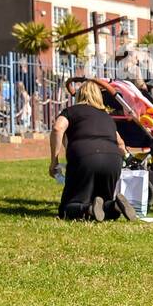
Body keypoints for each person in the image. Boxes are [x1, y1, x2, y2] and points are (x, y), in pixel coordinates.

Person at [48, 80, 136, 221]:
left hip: (85, 158)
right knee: (102, 204)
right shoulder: (107, 117)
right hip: (113, 161)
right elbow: (120, 144)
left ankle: (86, 209)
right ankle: (114, 206)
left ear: (79, 96)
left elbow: (58, 128)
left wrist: (54, 161)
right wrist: (128, 159)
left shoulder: (71, 111)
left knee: (67, 209)